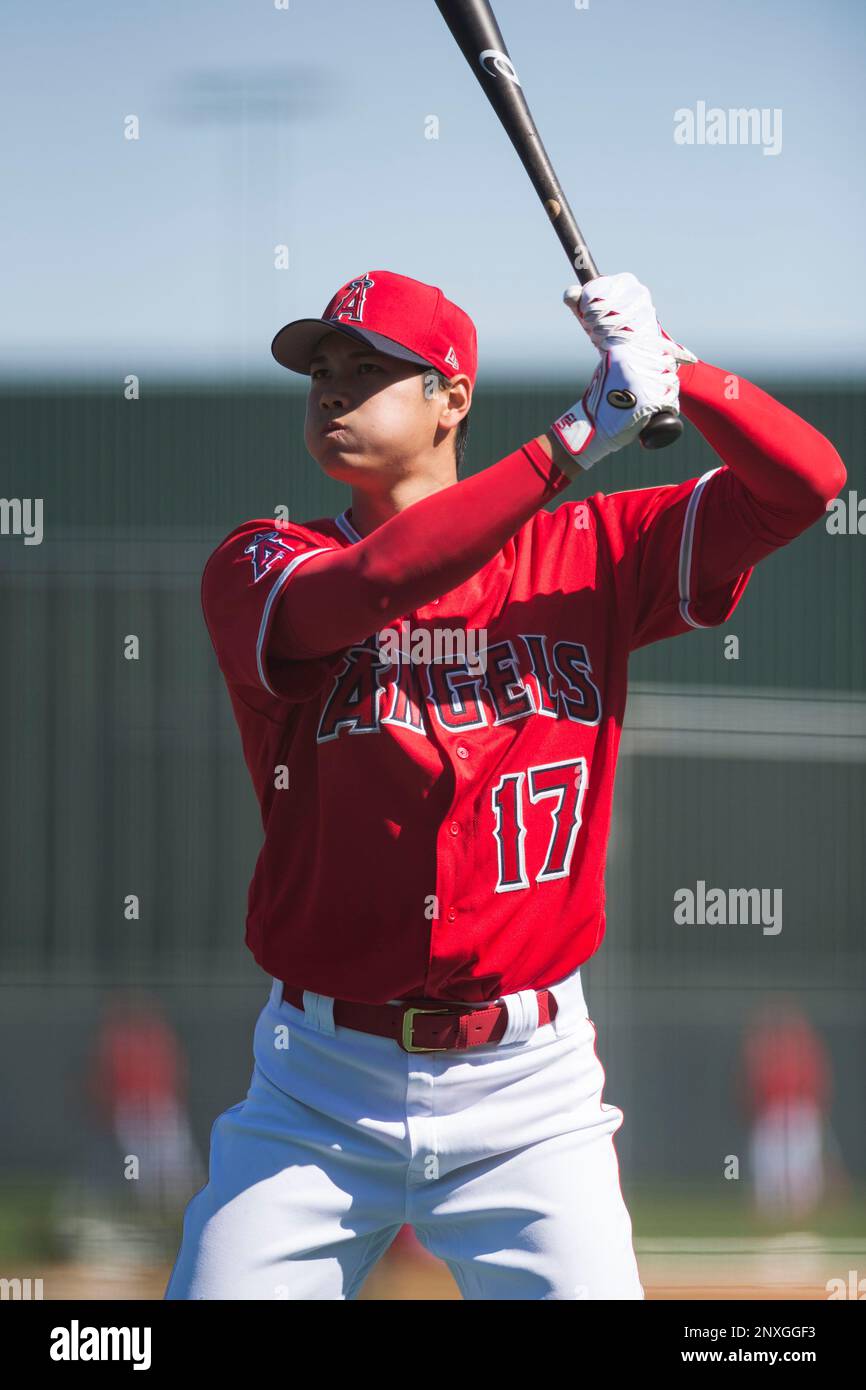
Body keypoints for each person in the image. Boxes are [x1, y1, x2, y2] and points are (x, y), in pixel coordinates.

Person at [165, 268, 846, 1300]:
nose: (333, 391)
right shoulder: (263, 559)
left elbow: (806, 484)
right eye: (323, 371)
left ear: (452, 397)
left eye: (369, 369)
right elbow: (377, 581)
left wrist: (678, 368)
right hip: (315, 1086)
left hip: (531, 1092)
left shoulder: (588, 552)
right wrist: (575, 436)